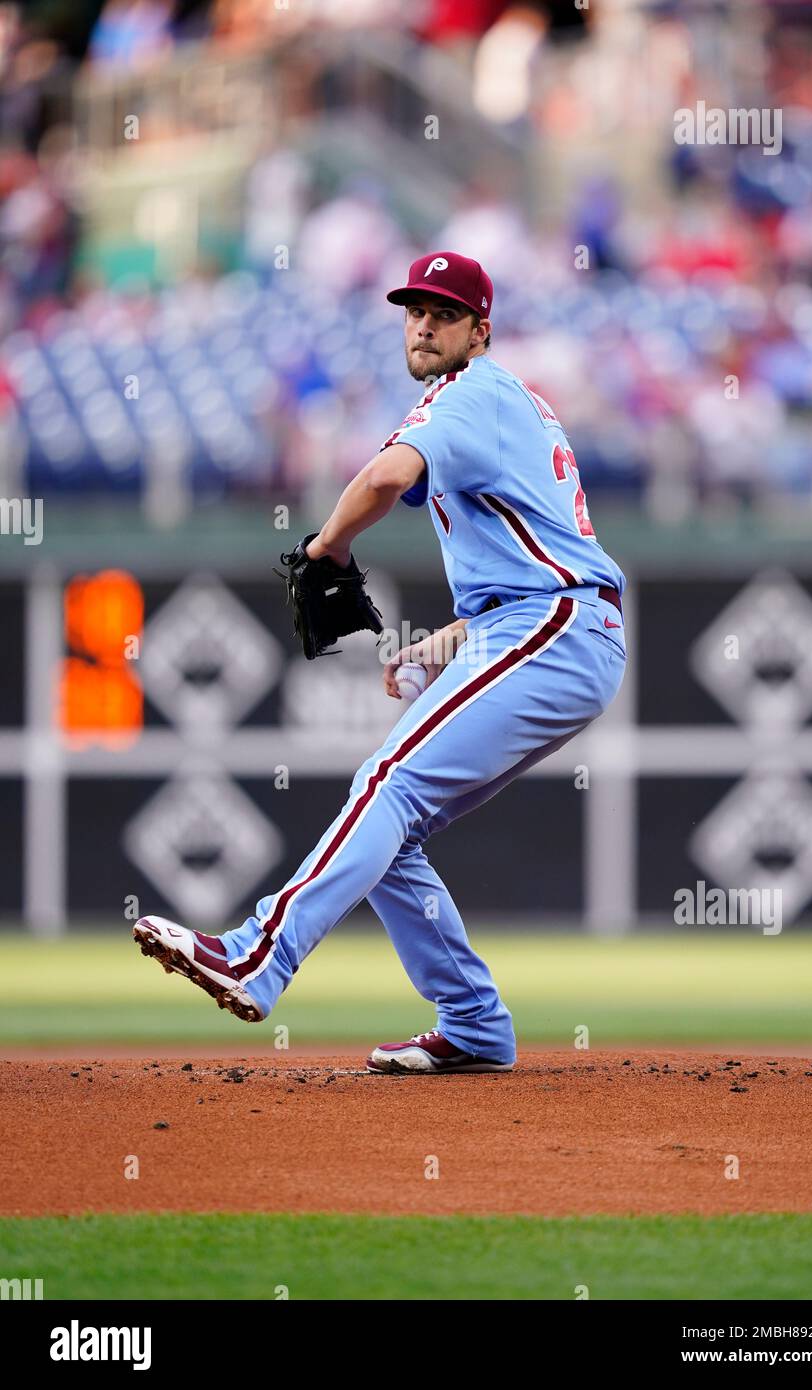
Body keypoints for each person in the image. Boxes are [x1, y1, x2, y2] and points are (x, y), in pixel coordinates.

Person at [134, 251, 627, 1075]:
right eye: (414, 310)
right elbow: (526, 565)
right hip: (546, 626)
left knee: (385, 784)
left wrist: (327, 548)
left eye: (444, 312)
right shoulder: (499, 405)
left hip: (560, 627)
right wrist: (442, 643)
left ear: (481, 329)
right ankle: (472, 1022)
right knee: (393, 826)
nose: (425, 323)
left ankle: (261, 954)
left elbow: (383, 476)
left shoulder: (471, 395)